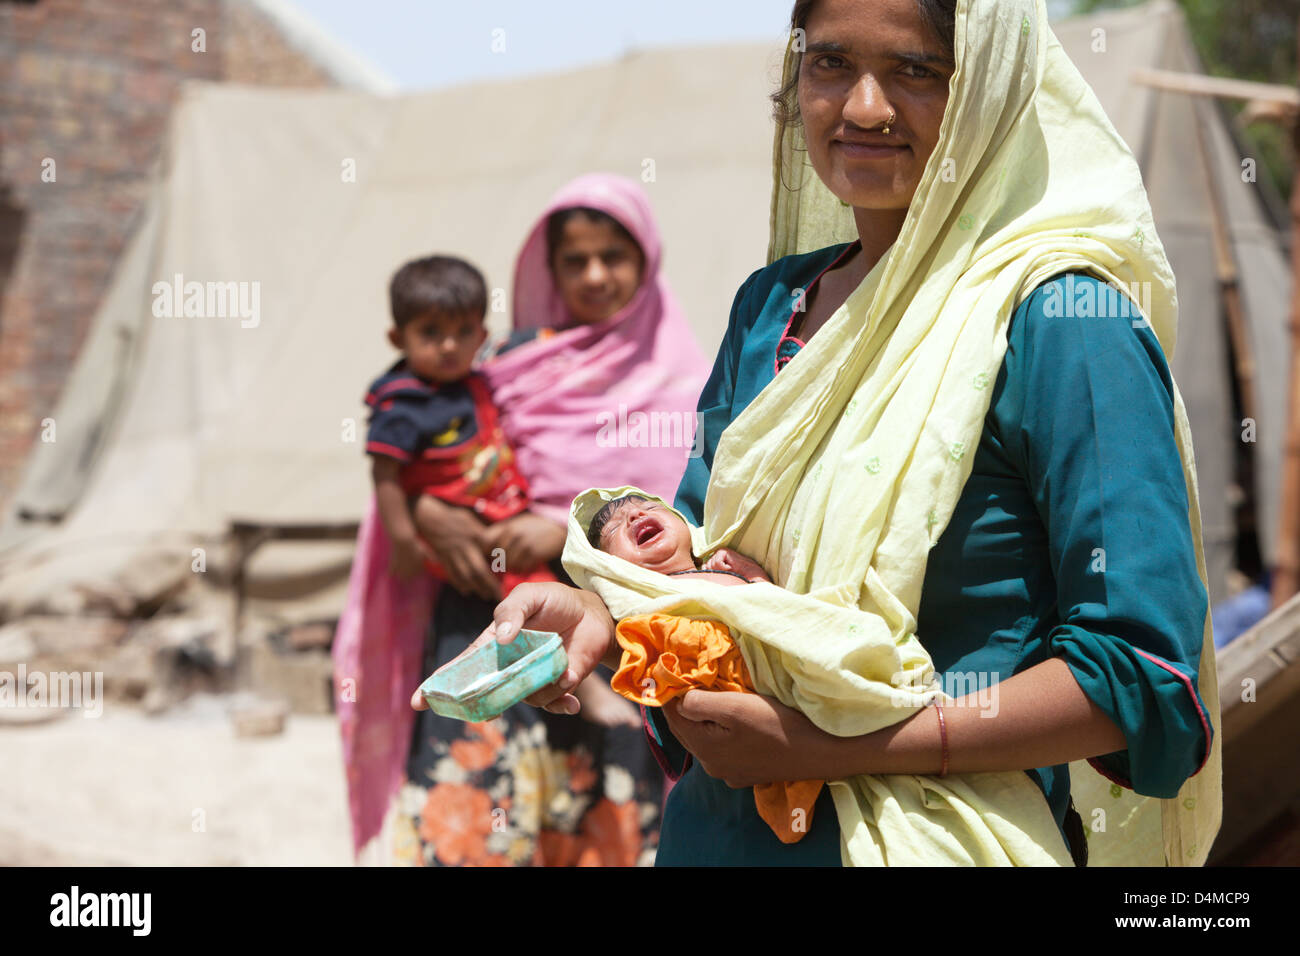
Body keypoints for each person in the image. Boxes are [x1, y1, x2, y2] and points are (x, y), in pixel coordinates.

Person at [443, 0, 1223, 867]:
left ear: (992, 86)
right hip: (720, 837)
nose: (863, 109)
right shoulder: (771, 310)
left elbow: (1142, 680)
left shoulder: (1065, 322)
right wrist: (595, 608)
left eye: (918, 70)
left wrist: (838, 749)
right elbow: (702, 575)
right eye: (830, 64)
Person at [375, 173, 712, 866]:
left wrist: (563, 531)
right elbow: (427, 453)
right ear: (548, 267)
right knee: (471, 822)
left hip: (612, 637)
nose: (594, 276)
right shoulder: (505, 361)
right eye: (574, 260)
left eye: (613, 256)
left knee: (602, 822)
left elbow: (689, 518)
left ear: (646, 258)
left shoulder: (681, 377)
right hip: (483, 619)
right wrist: (429, 513)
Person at [363, 254, 554, 596]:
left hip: (502, 524)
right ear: (397, 338)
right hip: (457, 539)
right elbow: (384, 474)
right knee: (529, 598)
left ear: (481, 335)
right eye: (431, 333)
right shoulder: (403, 404)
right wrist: (404, 539)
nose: (449, 345)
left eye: (463, 331)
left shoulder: (481, 381)